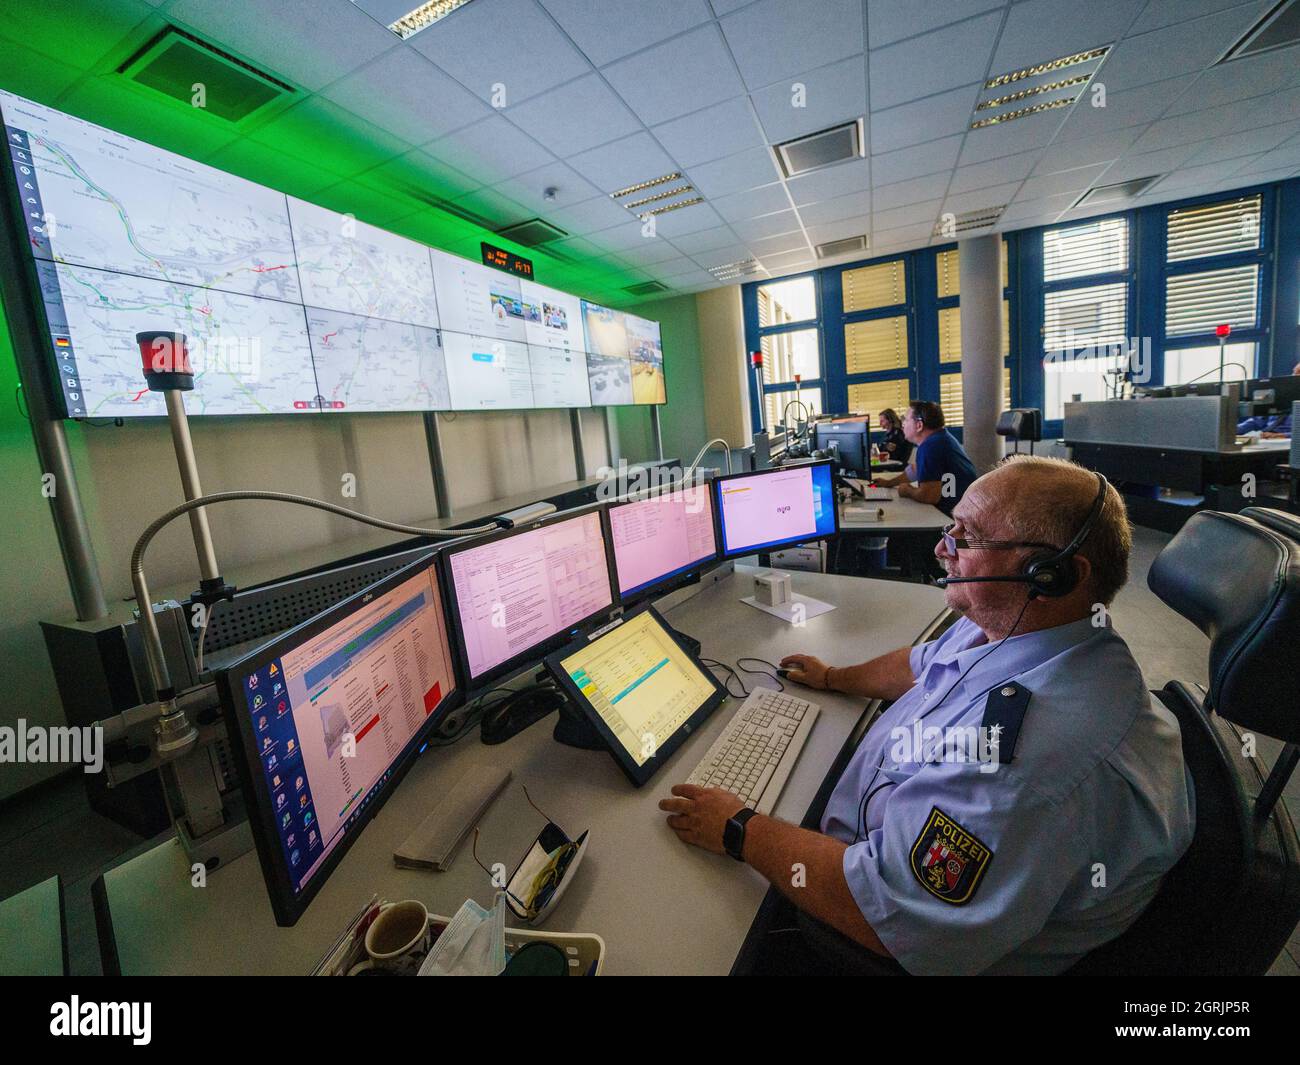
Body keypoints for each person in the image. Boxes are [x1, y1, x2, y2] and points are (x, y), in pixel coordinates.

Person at [659, 456, 1194, 975]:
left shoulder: (1021, 767)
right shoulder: (1013, 621)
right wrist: (832, 677)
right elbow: (919, 666)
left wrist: (737, 829)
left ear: (1052, 575)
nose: (942, 548)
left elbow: (885, 914)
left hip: (879, 931)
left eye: (968, 538)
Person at [873, 400, 977, 516]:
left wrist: (907, 490)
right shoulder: (939, 438)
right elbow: (915, 470)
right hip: (961, 510)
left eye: (906, 420)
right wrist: (889, 483)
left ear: (919, 425)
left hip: (953, 518)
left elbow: (929, 496)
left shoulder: (931, 445)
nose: (902, 424)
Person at [1236, 362, 1299, 438]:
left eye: (1299, 373)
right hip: (1266, 439)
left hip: (1292, 443)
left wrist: (1282, 435)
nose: (1294, 376)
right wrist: (1232, 430)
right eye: (1294, 372)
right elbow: (1257, 422)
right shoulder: (1281, 395)